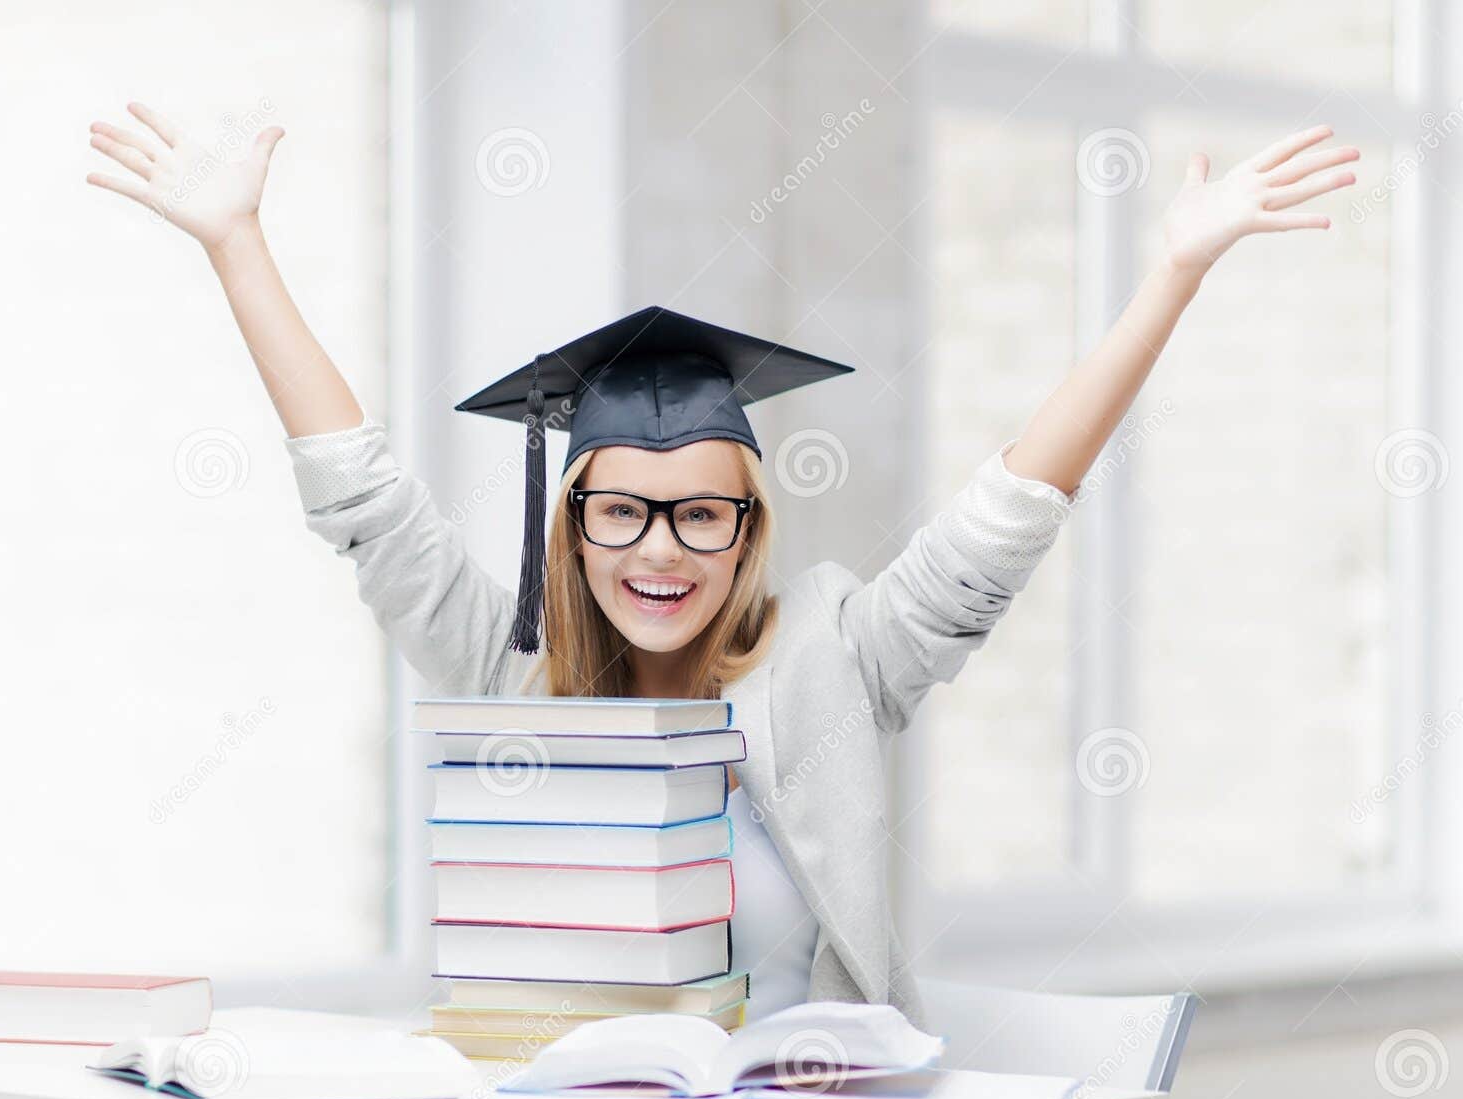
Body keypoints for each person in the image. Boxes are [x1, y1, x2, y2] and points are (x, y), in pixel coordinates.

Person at [86, 103, 1357, 1026]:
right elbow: (362, 499)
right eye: (623, 513)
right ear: (571, 526)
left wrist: (1173, 274)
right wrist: (233, 245)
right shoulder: (509, 665)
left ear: (750, 530)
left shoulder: (837, 658)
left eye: (703, 515)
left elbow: (1011, 507)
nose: (660, 549)